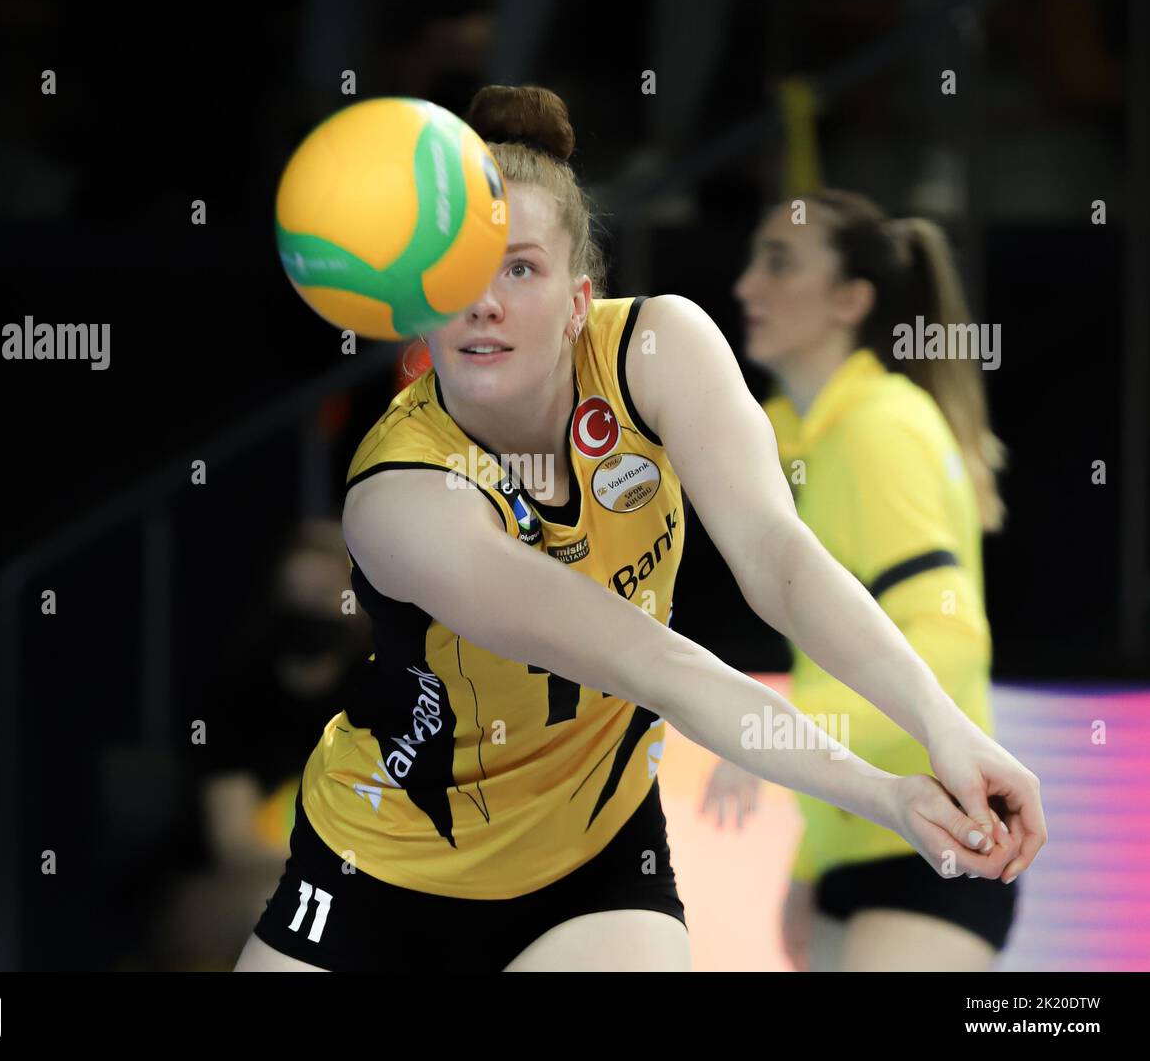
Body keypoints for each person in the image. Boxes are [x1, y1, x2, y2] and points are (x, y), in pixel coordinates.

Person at [235, 85, 1045, 973]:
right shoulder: (398, 497)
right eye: (462, 269)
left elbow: (779, 561)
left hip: (594, 858)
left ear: (580, 298)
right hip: (385, 866)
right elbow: (653, 663)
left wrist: (944, 729)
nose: (485, 301)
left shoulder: (656, 350)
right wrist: (886, 794)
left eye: (522, 268)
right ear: (419, 294)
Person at [703, 188, 1019, 971]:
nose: (746, 287)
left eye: (779, 263)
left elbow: (947, 646)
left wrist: (767, 732)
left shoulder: (880, 427)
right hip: (857, 852)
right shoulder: (812, 437)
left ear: (850, 300)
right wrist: (815, 860)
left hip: (929, 854)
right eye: (751, 261)